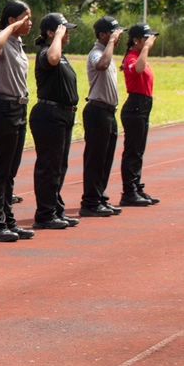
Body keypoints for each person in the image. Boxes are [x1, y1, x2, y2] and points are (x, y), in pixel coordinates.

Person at [0, 1, 36, 242]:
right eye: (26, 18)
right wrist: (10, 27)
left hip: (18, 108)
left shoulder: (18, 44)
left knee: (10, 171)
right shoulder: (3, 41)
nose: (30, 22)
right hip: (2, 108)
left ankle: (8, 220)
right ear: (12, 19)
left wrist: (16, 29)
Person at [29, 13, 80, 230]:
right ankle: (45, 214)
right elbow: (52, 59)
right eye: (62, 29)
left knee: (59, 165)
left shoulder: (60, 54)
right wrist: (57, 38)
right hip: (49, 113)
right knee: (49, 165)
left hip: (63, 114)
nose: (67, 33)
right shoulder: (45, 53)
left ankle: (55, 208)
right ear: (50, 32)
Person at [80, 17, 124, 217]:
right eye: (113, 33)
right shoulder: (97, 53)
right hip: (97, 111)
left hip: (108, 112)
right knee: (95, 159)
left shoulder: (108, 53)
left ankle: (99, 197)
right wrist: (112, 44)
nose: (118, 37)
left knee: (105, 159)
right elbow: (101, 65)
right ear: (102, 35)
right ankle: (90, 202)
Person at [120, 22, 160, 207]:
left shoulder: (138, 55)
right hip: (135, 106)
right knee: (133, 151)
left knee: (139, 151)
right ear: (136, 40)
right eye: (146, 38)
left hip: (143, 106)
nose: (150, 41)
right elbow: (137, 69)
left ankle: (136, 187)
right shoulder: (132, 57)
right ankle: (129, 192)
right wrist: (146, 49)